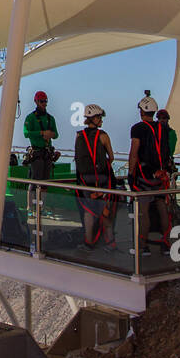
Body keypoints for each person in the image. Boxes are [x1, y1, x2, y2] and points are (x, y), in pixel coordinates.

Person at [128, 91, 170, 254]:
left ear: (141, 111)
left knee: (143, 211)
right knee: (162, 208)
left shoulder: (138, 129)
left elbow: (134, 152)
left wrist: (131, 174)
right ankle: (166, 243)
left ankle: (143, 245)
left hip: (144, 176)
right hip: (160, 175)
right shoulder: (162, 128)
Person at [73, 103, 116, 250]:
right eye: (100, 117)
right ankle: (110, 242)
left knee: (88, 211)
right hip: (102, 180)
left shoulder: (79, 136)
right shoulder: (103, 136)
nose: (101, 120)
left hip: (85, 181)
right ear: (94, 118)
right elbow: (111, 157)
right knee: (105, 210)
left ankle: (89, 241)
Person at [22, 91, 59, 185]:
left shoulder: (50, 118)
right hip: (37, 154)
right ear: (36, 102)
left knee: (46, 182)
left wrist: (51, 134)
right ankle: (33, 199)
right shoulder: (30, 118)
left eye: (45, 101)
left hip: (47, 154)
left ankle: (42, 199)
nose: (44, 103)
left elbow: (56, 135)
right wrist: (41, 133)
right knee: (36, 181)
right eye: (41, 101)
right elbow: (26, 133)